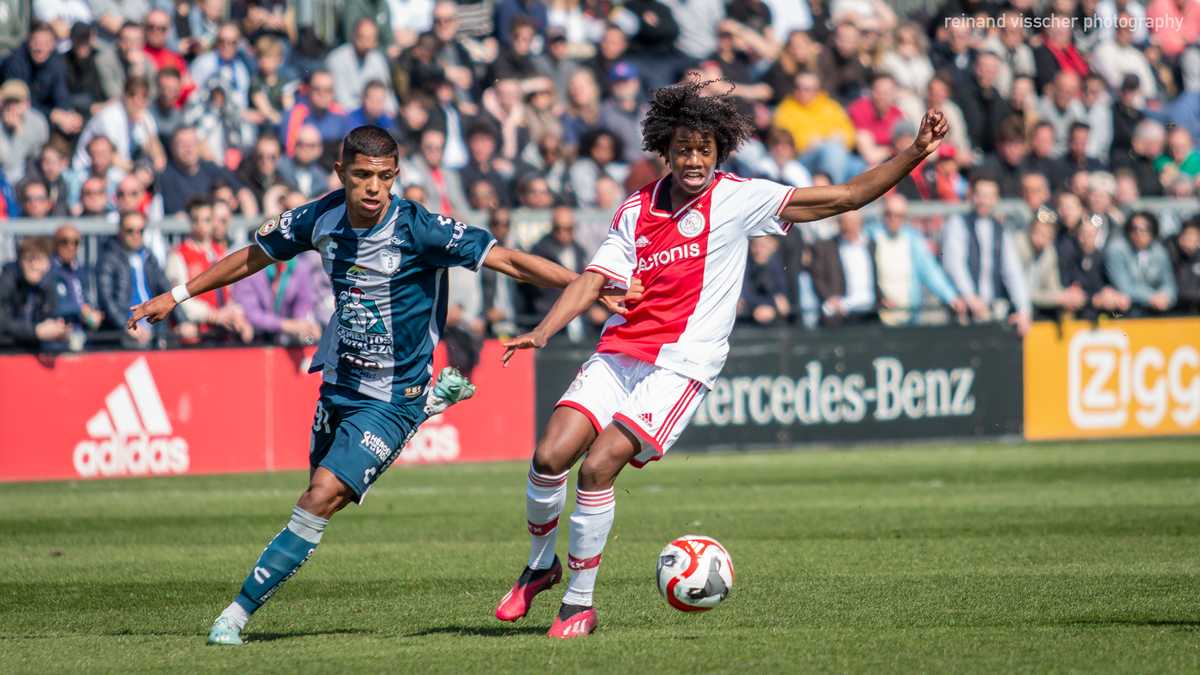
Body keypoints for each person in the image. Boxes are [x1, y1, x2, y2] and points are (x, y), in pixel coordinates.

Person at [125, 125, 637, 645]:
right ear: (341, 172)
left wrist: (589, 285)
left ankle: (235, 614)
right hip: (339, 383)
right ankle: (430, 407)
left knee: (320, 497)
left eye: (385, 177)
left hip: (392, 396)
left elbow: (507, 260)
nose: (374, 188)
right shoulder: (317, 217)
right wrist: (178, 294)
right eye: (364, 175)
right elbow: (255, 254)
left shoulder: (420, 228)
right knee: (318, 490)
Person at [493, 77, 948, 638]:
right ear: (666, 150)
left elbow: (845, 197)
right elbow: (593, 279)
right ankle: (541, 566)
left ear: (719, 152)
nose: (693, 159)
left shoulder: (738, 197)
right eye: (683, 148)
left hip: (682, 363)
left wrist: (915, 152)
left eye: (704, 150)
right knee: (548, 456)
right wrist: (542, 331)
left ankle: (578, 604)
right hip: (619, 350)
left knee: (596, 466)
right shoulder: (635, 209)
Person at [940, 174, 1033, 335]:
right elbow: (954, 264)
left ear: (996, 199)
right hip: (964, 312)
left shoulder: (1000, 228)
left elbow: (1012, 270)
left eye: (988, 196)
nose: (982, 200)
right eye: (979, 194)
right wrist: (970, 297)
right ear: (971, 195)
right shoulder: (958, 222)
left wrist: (1024, 310)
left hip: (991, 312)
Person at [165, 195, 253, 342]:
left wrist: (237, 317)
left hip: (222, 332)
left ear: (213, 220)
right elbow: (178, 298)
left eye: (206, 219)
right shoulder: (179, 255)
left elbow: (230, 293)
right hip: (196, 335)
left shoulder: (220, 253)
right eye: (195, 219)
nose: (201, 224)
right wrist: (214, 315)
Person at [868, 194, 965, 325]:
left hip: (909, 316)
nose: (893, 219)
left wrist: (951, 297)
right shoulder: (871, 237)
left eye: (899, 215)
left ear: (905, 217)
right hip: (879, 317)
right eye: (889, 214)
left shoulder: (913, 239)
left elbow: (930, 270)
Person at [97, 211, 182, 347]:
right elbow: (106, 299)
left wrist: (183, 321)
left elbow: (166, 288)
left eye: (140, 231)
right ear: (120, 232)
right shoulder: (109, 258)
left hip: (152, 328)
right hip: (125, 334)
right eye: (130, 231)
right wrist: (127, 325)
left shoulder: (148, 257)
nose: (136, 235)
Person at [773, 72, 863, 184]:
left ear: (817, 90)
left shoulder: (830, 106)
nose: (802, 91)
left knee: (862, 167)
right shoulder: (786, 109)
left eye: (807, 88)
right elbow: (783, 138)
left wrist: (842, 139)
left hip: (836, 153)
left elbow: (849, 132)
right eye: (798, 87)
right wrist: (809, 141)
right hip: (803, 156)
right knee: (832, 150)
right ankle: (831, 192)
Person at [0, 21, 83, 135]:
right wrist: (53, 115)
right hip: (12, 118)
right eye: (37, 42)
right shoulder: (15, 63)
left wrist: (68, 116)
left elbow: (62, 96)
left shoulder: (55, 64)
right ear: (28, 41)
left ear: (53, 44)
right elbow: (18, 102)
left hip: (44, 118)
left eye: (46, 43)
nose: (40, 48)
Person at [72, 76, 165, 173]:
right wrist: (139, 170)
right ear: (124, 95)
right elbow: (114, 161)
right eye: (132, 95)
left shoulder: (144, 117)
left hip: (113, 174)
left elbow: (159, 160)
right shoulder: (110, 116)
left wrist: (147, 127)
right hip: (85, 172)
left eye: (143, 97)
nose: (137, 102)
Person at [159, 127, 257, 216]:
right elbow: (178, 217)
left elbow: (243, 192)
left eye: (193, 143)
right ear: (172, 147)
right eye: (183, 144)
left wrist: (250, 226)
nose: (189, 149)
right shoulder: (166, 175)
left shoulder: (210, 167)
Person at [808, 209, 882, 325]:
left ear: (860, 223)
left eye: (852, 222)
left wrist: (882, 299)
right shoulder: (825, 247)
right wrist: (829, 298)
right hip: (840, 316)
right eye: (844, 222)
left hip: (868, 313)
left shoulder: (870, 245)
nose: (847, 226)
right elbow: (817, 277)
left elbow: (874, 278)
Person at [0, 236, 70, 350]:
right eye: (29, 259)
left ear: (48, 264)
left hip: (36, 351)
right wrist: (36, 331)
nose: (34, 266)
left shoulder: (49, 285)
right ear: (19, 260)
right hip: (7, 350)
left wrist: (58, 330)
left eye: (40, 260)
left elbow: (50, 316)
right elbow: (3, 324)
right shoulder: (7, 282)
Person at [1012, 214, 1087, 319]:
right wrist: (1056, 298)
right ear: (1030, 230)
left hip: (1036, 310)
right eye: (1038, 233)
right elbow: (1018, 290)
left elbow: (1052, 287)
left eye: (1046, 235)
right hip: (1014, 308)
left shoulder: (1049, 252)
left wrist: (1067, 295)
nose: (1041, 239)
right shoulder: (1017, 246)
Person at [1105, 212, 1178, 316]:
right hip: (1122, 312)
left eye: (1146, 229)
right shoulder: (1116, 249)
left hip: (1154, 311)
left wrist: (1166, 297)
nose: (1139, 233)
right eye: (1134, 228)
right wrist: (1152, 297)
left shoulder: (1159, 251)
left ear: (1153, 232)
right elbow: (1123, 287)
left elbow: (1169, 283)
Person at [327, 19, 397, 117]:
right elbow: (342, 101)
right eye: (363, 38)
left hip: (376, 114)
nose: (367, 43)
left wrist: (390, 112)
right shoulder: (337, 59)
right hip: (349, 117)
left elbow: (388, 94)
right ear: (354, 37)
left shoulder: (378, 59)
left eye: (372, 39)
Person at [50, 224, 104, 336]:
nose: (70, 246)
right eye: (64, 241)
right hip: (57, 336)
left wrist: (92, 315)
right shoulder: (48, 271)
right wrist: (79, 309)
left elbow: (88, 301)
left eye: (75, 242)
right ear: (54, 243)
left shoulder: (81, 272)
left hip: (82, 335)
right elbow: (50, 306)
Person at [0, 80, 50, 185]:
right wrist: (18, 132)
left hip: (34, 168)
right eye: (8, 102)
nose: (12, 107)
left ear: (27, 103)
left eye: (17, 102)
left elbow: (41, 152)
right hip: (7, 174)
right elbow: (11, 163)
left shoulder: (38, 122)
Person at [739, 235, 790, 324]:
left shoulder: (777, 263)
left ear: (773, 246)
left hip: (772, 318)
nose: (759, 250)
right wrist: (772, 302)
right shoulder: (744, 263)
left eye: (763, 246)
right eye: (755, 245)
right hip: (746, 318)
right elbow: (745, 296)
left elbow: (783, 295)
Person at [277, 125, 334, 200]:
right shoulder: (281, 170)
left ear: (319, 149)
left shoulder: (322, 176)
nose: (306, 149)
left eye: (311, 145)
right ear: (295, 146)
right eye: (301, 144)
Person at [1166, 218, 1200, 314]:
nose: (1188, 243)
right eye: (1186, 237)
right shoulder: (1169, 253)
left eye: (1193, 238)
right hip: (1173, 309)